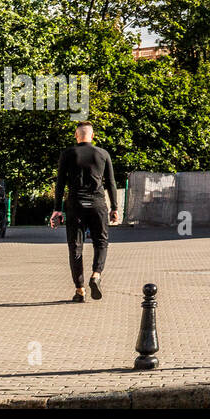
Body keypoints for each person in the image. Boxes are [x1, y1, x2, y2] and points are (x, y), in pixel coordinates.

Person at [49, 122, 120, 302]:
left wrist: (57, 209)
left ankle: (80, 290)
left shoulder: (68, 154)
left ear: (76, 136)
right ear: (92, 136)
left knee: (75, 246)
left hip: (75, 205)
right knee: (101, 242)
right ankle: (96, 274)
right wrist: (114, 208)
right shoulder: (103, 154)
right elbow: (111, 183)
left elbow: (60, 184)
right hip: (97, 204)